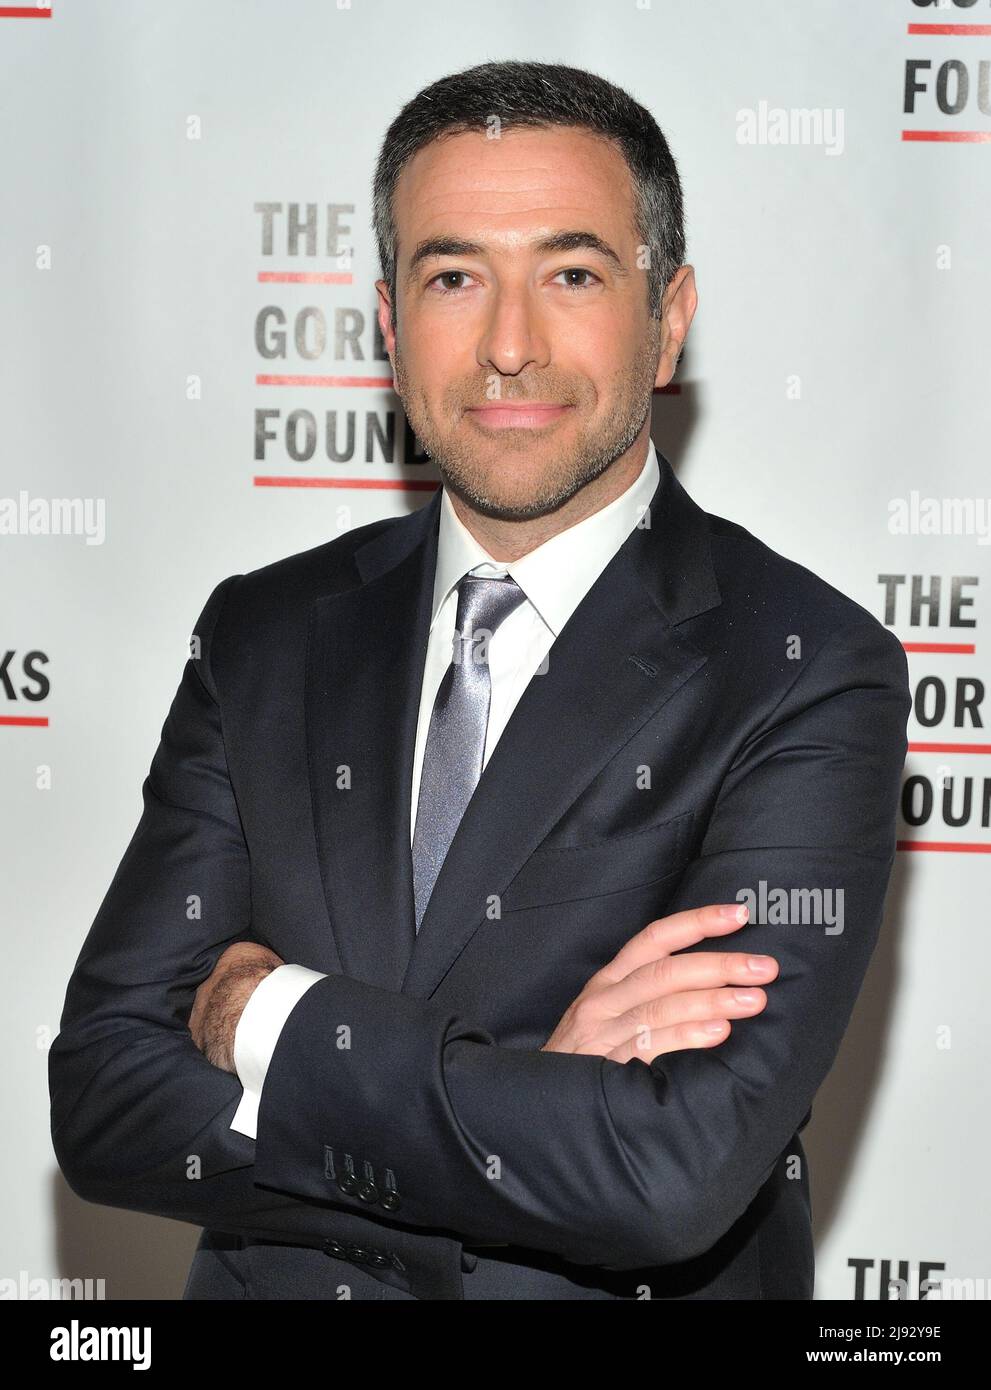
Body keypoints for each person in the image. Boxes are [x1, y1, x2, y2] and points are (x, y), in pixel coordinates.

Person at [49, 59, 910, 1301]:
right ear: (391, 328)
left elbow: (670, 1172)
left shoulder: (804, 669)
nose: (508, 345)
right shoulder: (263, 634)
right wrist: (527, 1093)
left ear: (667, 320)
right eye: (454, 276)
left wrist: (271, 1017)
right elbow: (105, 1099)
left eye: (571, 273)